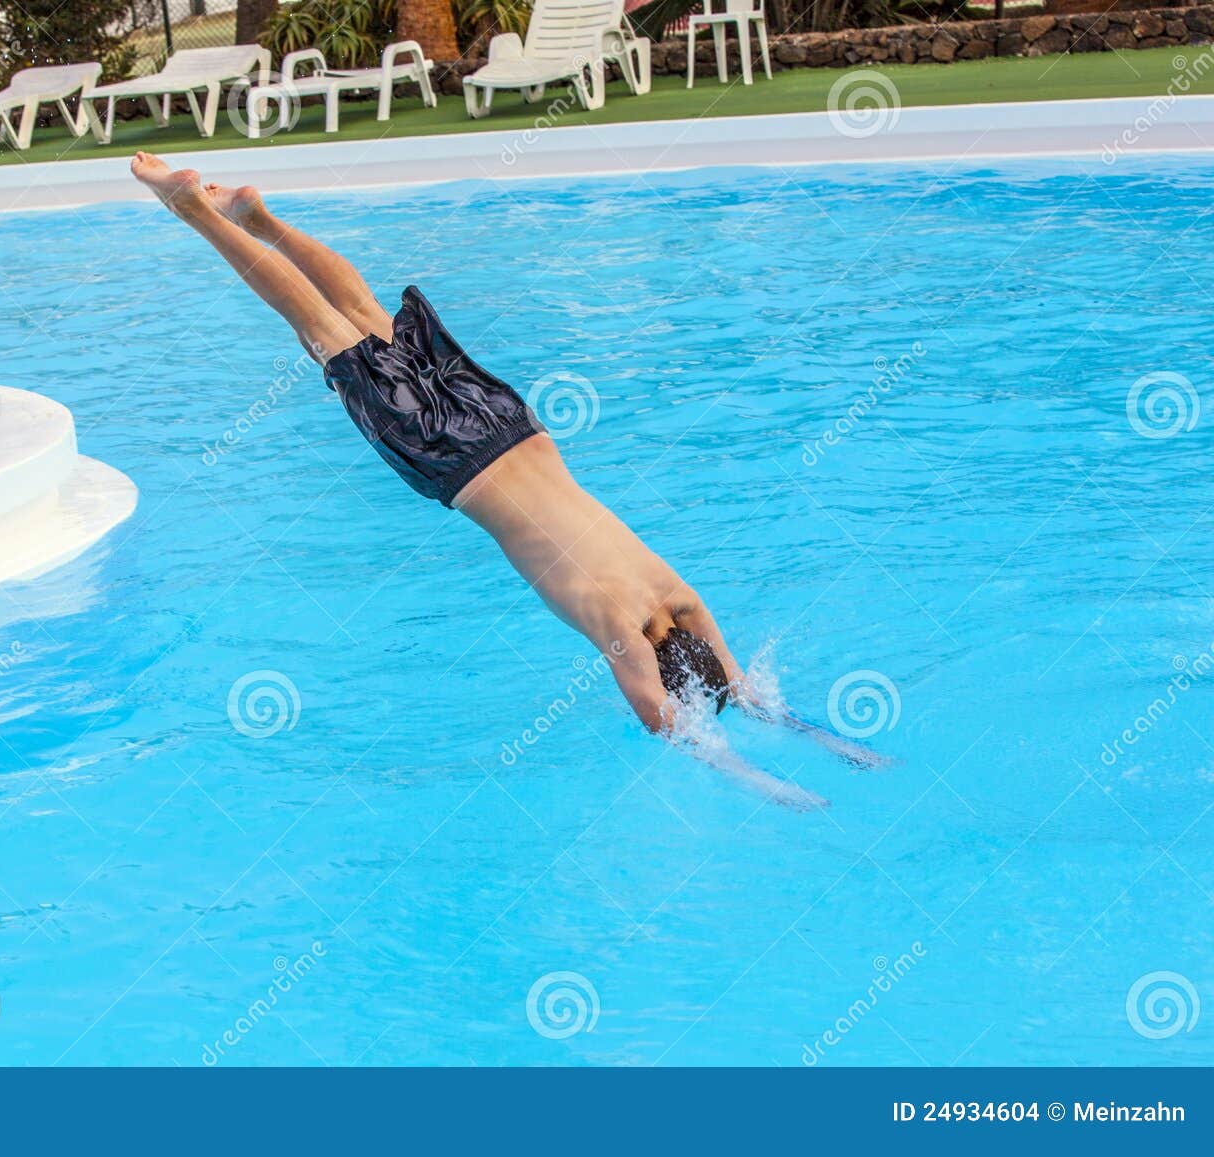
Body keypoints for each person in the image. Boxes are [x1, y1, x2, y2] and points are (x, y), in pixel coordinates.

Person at [130, 154, 878, 803]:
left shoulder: (671, 591)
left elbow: (740, 687)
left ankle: (260, 217)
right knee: (326, 332)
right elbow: (675, 725)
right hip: (451, 462)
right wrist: (764, 782)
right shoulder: (616, 626)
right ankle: (192, 210)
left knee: (366, 311)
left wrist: (815, 735)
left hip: (515, 427)